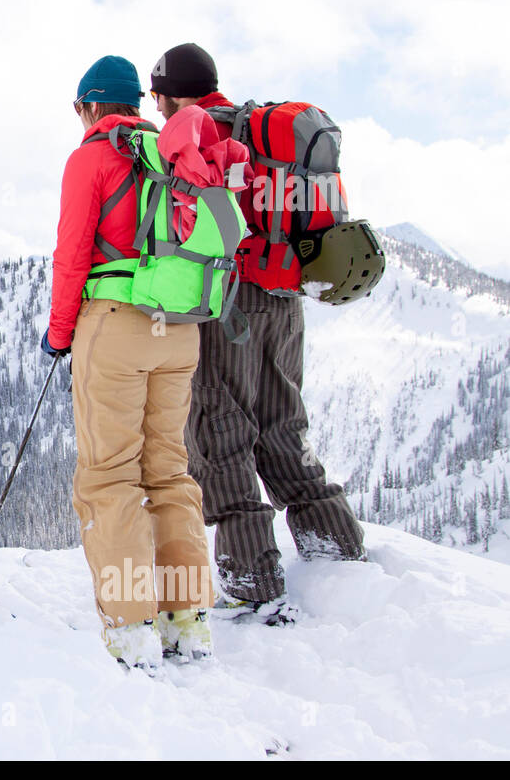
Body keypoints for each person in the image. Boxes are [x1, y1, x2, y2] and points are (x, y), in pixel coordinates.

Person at [147, 42, 367, 625]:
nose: (157, 107)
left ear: (170, 93)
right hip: (286, 297)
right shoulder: (262, 130)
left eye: (157, 95)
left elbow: (187, 225)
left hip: (230, 299)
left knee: (221, 428)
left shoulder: (197, 134)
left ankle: (251, 579)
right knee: (283, 424)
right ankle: (337, 547)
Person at [43, 55, 213, 672]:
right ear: (135, 104)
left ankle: (131, 626)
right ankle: (187, 620)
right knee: (168, 469)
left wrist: (60, 335)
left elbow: (72, 255)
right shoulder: (168, 153)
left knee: (110, 476)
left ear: (90, 104)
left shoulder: (90, 157)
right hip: (181, 330)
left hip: (113, 324)